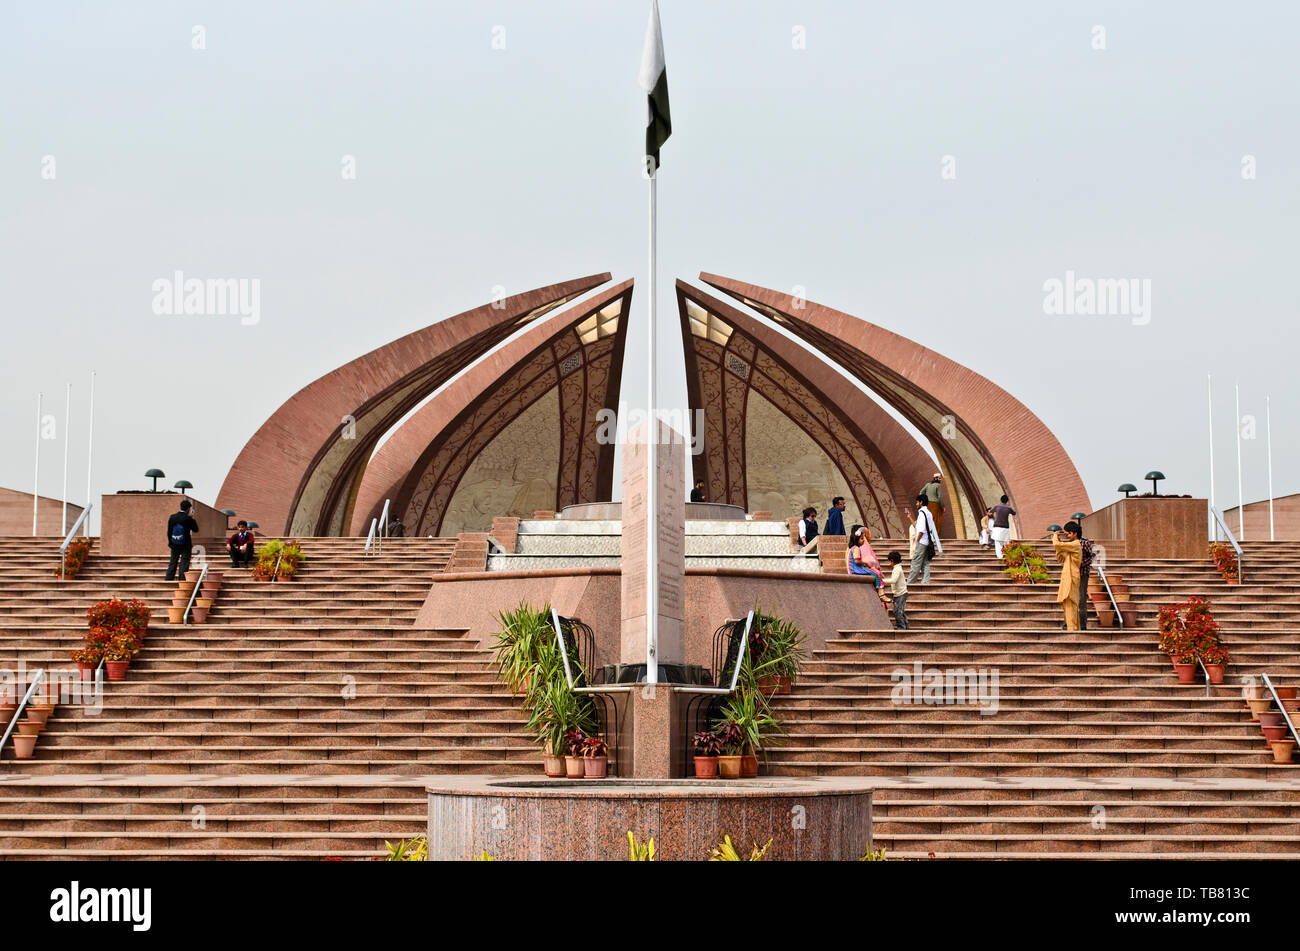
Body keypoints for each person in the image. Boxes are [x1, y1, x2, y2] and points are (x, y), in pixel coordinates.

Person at [1050, 521, 1084, 631]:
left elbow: (1057, 545)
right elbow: (1060, 558)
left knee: (1071, 604)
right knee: (1069, 605)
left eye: (1068, 534)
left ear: (1074, 533)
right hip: (1068, 577)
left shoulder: (1075, 544)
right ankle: (1074, 628)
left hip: (1072, 578)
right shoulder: (1070, 546)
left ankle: (1072, 629)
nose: (1067, 536)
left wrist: (1055, 535)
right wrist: (1059, 543)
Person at [906, 496, 942, 584]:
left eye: (917, 502)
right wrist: (910, 517)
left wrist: (917, 541)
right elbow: (917, 526)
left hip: (922, 541)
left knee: (916, 562)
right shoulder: (928, 513)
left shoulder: (922, 513)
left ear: (921, 502)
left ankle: (910, 582)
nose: (916, 504)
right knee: (925, 562)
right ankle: (925, 581)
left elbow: (921, 530)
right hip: (927, 541)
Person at [165, 499, 200, 581]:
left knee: (173, 561)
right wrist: (192, 519)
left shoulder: (172, 517)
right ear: (188, 509)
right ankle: (182, 579)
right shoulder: (188, 519)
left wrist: (170, 542)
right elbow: (195, 529)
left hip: (174, 543)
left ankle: (169, 578)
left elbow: (169, 532)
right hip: (185, 544)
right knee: (184, 562)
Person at [885, 550, 909, 629]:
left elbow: (893, 580)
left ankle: (902, 627)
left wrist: (882, 580)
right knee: (899, 611)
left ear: (892, 561)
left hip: (901, 594)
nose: (889, 564)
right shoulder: (897, 568)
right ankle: (906, 626)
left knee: (898, 611)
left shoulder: (897, 569)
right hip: (899, 593)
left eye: (890, 562)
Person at [990, 494, 1016, 559]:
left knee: (998, 542)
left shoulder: (997, 506)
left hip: (997, 526)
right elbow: (1014, 513)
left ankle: (1000, 556)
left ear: (1000, 500)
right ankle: (1008, 555)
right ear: (1007, 501)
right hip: (1005, 527)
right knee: (1006, 541)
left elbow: (990, 511)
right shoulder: (1009, 508)